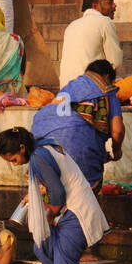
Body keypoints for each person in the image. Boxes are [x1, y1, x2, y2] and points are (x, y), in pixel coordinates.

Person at [0, 126, 110, 264]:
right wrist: (36, 193)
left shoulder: (39, 157)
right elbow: (55, 181)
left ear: (22, 148)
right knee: (42, 245)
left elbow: (57, 191)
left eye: (14, 159)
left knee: (64, 259)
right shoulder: (42, 148)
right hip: (70, 211)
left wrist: (50, 215)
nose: (16, 164)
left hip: (77, 212)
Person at [32, 59, 125, 189]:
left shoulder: (68, 88)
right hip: (80, 157)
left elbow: (71, 124)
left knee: (55, 196)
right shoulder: (106, 91)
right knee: (85, 197)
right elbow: (118, 130)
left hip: (44, 152)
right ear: (108, 77)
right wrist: (117, 150)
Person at [59, 0, 122, 85]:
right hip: (91, 87)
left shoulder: (71, 25)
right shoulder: (105, 22)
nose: (114, 6)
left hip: (66, 88)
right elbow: (115, 62)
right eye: (110, 2)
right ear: (95, 6)